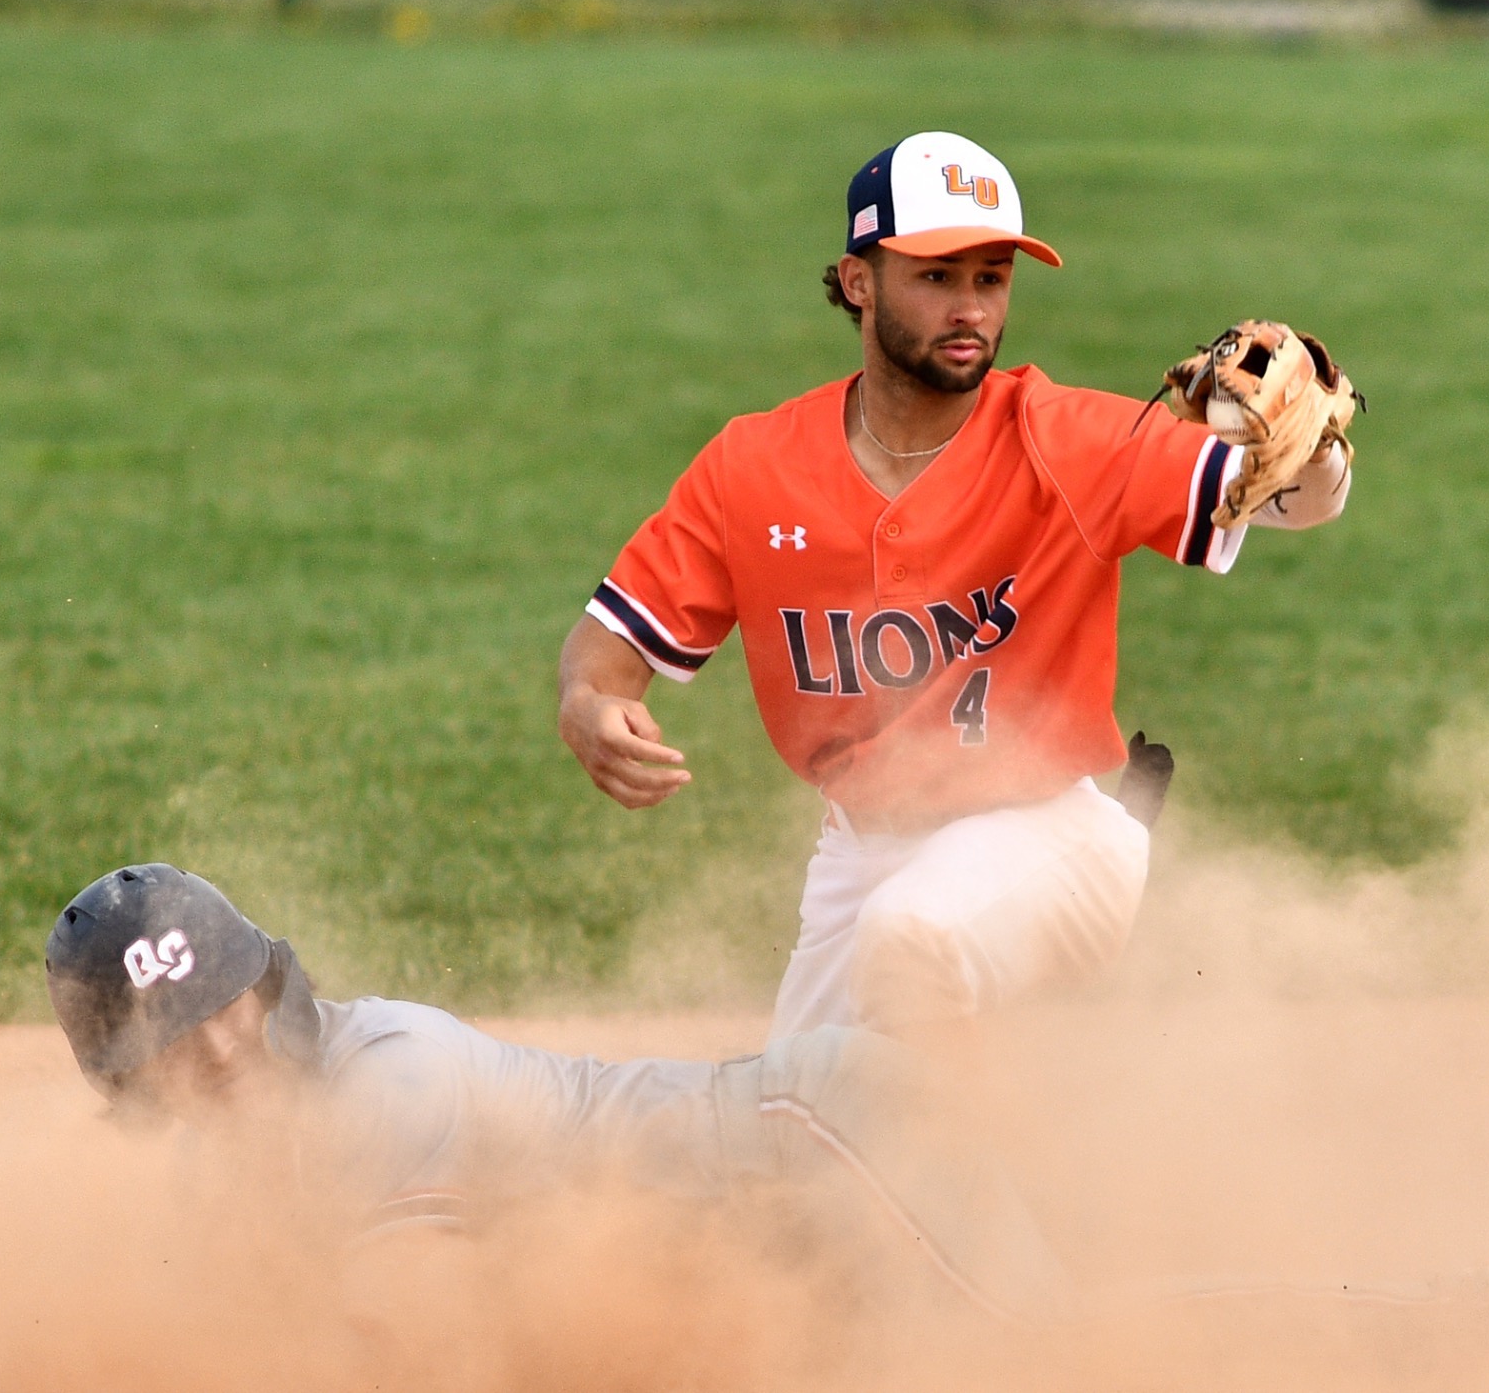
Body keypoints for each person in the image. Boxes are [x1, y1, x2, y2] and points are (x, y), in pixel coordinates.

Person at [44, 862, 1489, 1383]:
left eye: (229, 1014)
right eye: (178, 1050)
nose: (223, 1061)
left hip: (829, 1143)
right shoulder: (238, 1180)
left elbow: (390, 1348)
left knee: (1056, 1350)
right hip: (783, 1232)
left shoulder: (381, 1087)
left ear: (269, 992)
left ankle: (1454, 1319)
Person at [557, 130, 1355, 1041]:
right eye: (936, 277)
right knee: (790, 1128)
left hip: (1052, 841)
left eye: (990, 277)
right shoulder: (752, 467)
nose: (970, 306)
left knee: (914, 942)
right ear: (860, 281)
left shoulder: (1066, 437)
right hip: (858, 856)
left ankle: (977, 1177)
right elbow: (613, 640)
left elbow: (1282, 501)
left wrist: (1319, 450)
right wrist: (588, 701)